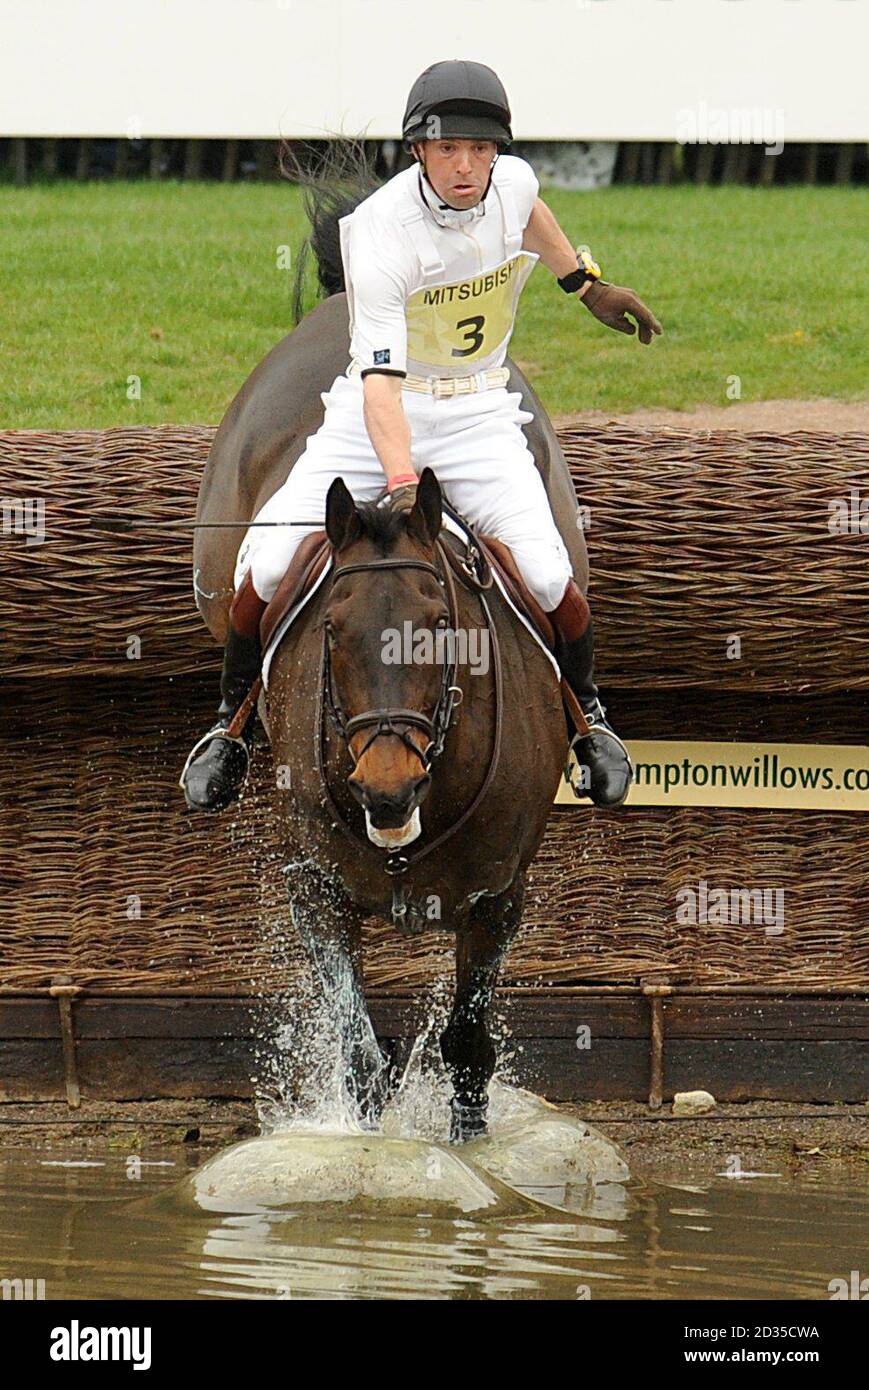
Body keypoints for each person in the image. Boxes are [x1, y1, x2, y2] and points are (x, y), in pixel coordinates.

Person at [182, 59, 662, 814]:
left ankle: (588, 721)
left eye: (480, 149)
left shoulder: (514, 181)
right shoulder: (378, 234)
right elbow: (378, 388)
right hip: (374, 413)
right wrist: (402, 481)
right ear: (418, 153)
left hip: (477, 412)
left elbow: (531, 213)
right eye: (448, 151)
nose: (466, 166)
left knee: (545, 575)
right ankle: (230, 727)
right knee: (267, 566)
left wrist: (585, 284)